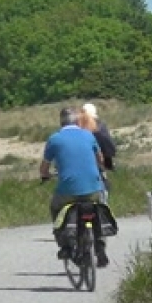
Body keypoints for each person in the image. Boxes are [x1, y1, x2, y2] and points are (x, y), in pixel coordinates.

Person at [41, 106, 108, 267]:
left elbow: (44, 168)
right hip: (93, 187)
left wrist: (46, 176)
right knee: (99, 207)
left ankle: (64, 245)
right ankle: (100, 245)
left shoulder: (54, 139)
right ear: (78, 121)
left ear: (61, 122)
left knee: (56, 208)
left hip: (67, 190)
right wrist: (100, 168)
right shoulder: (88, 135)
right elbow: (100, 158)